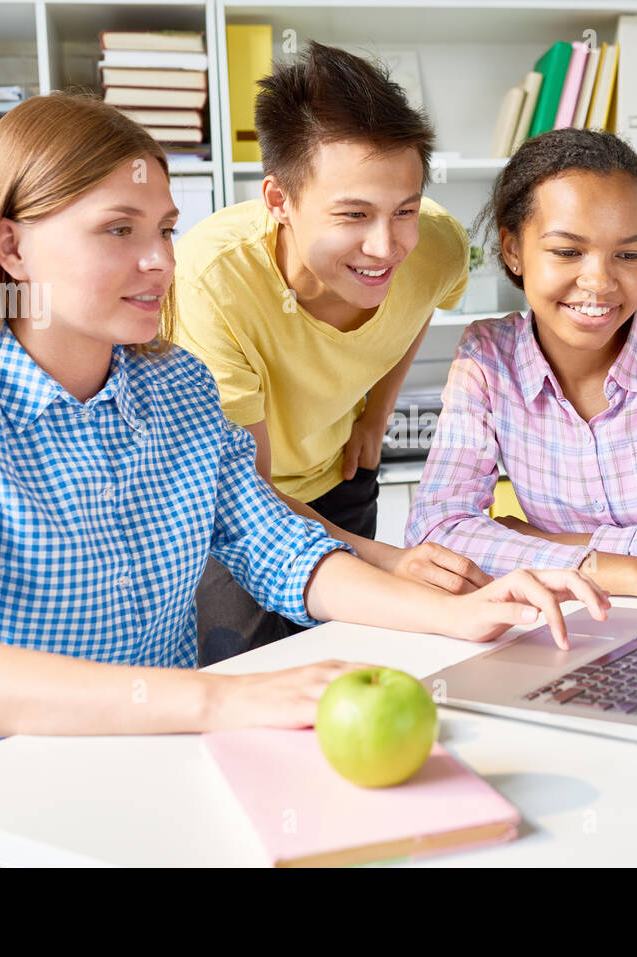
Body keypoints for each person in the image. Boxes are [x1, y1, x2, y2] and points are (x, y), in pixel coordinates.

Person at [0, 94, 609, 862]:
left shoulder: (177, 387)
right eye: (118, 230)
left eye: (165, 230)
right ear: (12, 247)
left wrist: (464, 612)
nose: (160, 262)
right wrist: (224, 698)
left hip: (152, 775)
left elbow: (285, 551)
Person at [173, 42, 491, 665]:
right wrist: (389, 563)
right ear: (278, 202)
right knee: (253, 678)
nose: (385, 247)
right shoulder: (215, 279)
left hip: (341, 476)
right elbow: (251, 496)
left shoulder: (435, 246)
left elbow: (420, 304)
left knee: (350, 666)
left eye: (403, 210)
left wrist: (377, 414)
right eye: (354, 214)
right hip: (235, 506)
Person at [406, 128, 637, 602]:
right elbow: (435, 534)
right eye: (568, 251)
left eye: (628, 254)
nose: (599, 282)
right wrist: (635, 574)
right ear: (514, 249)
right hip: (563, 624)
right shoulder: (487, 358)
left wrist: (550, 545)